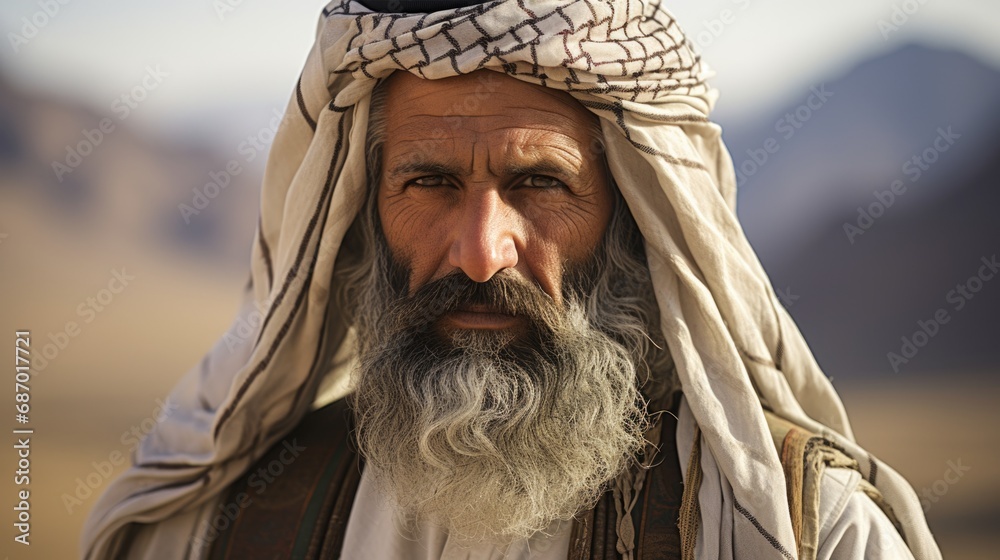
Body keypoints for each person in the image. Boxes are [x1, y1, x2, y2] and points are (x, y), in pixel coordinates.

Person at [81, 1, 942, 559]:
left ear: (636, 218)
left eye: (540, 184)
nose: (482, 253)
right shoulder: (225, 525)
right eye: (429, 183)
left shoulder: (806, 533)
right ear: (362, 213)